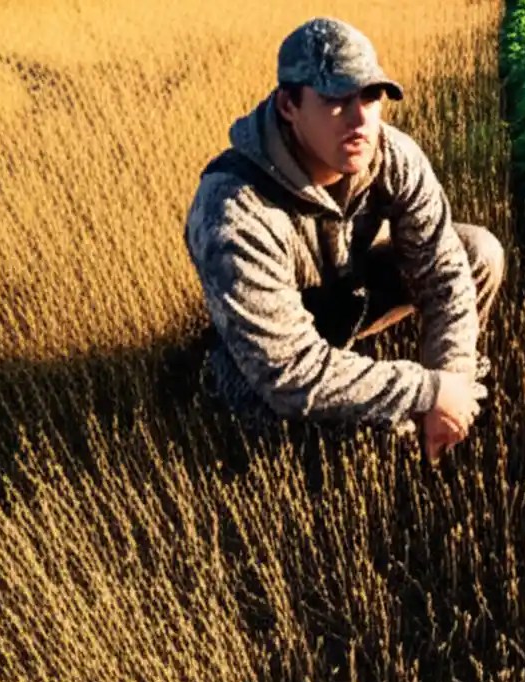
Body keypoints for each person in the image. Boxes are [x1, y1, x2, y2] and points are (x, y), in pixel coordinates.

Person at [182, 16, 504, 461]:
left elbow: (443, 274)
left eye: (371, 96)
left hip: (349, 300)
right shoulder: (233, 208)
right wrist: (425, 391)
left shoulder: (392, 154)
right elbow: (289, 371)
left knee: (478, 253)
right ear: (288, 106)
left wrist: (452, 380)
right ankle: (212, 384)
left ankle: (425, 408)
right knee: (366, 444)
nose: (360, 118)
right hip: (276, 355)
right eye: (336, 99)